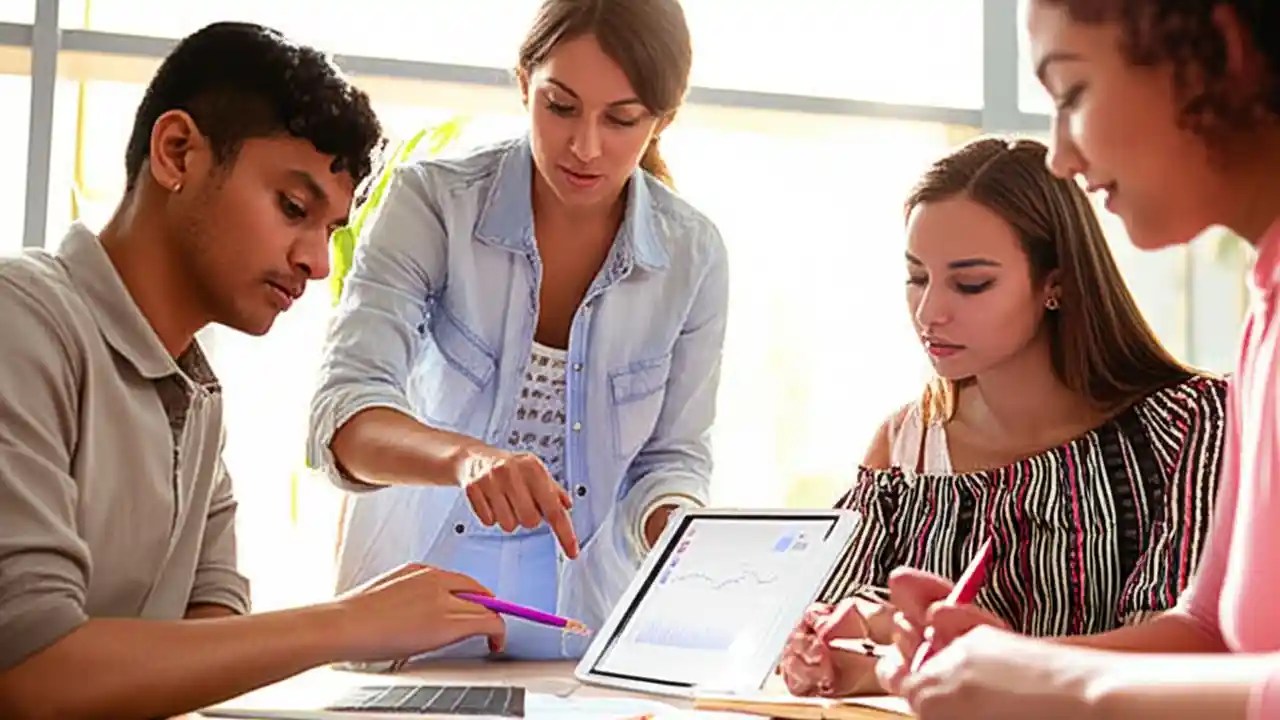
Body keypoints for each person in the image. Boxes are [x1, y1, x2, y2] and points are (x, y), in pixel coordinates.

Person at [0, 23, 506, 720]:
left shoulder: (198, 393)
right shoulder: (21, 322)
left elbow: (205, 647)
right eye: (293, 209)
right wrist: (352, 621)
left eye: (330, 229)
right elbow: (32, 671)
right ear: (178, 152)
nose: (318, 261)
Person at [875, 1, 1280, 718]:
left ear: (1213, 52)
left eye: (1072, 94)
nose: (1061, 155)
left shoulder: (1189, 416)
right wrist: (1005, 660)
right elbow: (1212, 633)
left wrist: (1061, 685)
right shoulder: (1262, 321)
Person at [307, 0, 728, 661]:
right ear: (524, 82)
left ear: (661, 120)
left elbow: (672, 458)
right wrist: (469, 459)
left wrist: (684, 534)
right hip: (407, 610)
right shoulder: (431, 202)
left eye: (621, 120)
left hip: (584, 630)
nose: (585, 146)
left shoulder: (693, 255)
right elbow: (345, 416)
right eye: (560, 106)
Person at [778, 136, 1228, 699]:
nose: (929, 311)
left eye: (970, 284)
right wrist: (836, 646)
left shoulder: (1188, 426)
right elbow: (834, 606)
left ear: (1055, 283)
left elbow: (1190, 646)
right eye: (917, 276)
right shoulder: (904, 445)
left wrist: (998, 664)